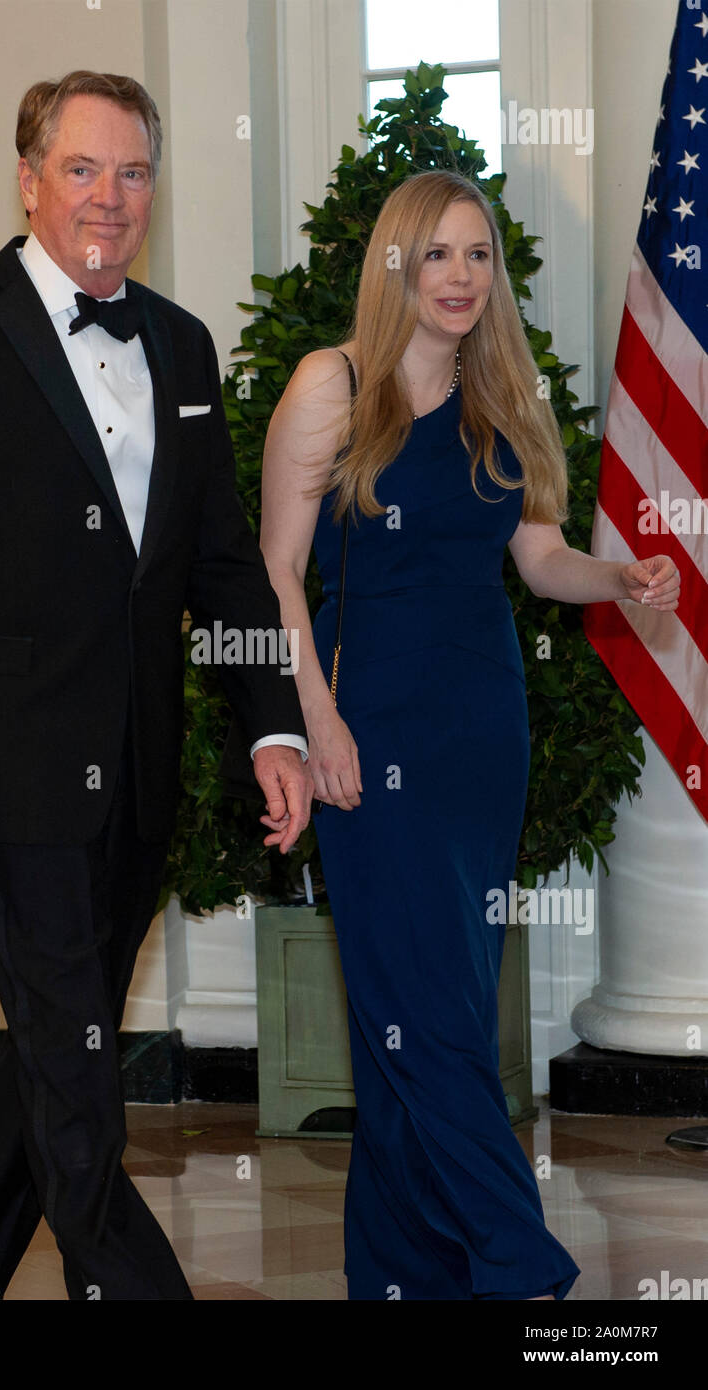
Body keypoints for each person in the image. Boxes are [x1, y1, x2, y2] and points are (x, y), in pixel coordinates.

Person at [0, 69, 314, 1301]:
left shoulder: (182, 343)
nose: (110, 196)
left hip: (138, 776)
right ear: (27, 179)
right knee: (77, 1085)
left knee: (58, 1060)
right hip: (8, 778)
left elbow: (223, 566)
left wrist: (271, 727)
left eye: (133, 171)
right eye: (81, 168)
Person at [259, 168, 680, 1301]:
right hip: (368, 727)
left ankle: (404, 1276)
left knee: (423, 1011)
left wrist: (619, 577)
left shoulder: (502, 392)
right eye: (437, 254)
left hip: (480, 731)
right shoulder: (332, 384)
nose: (460, 276)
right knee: (426, 1013)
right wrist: (315, 722)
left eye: (478, 254)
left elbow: (537, 560)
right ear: (395, 263)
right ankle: (520, 1265)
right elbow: (277, 572)